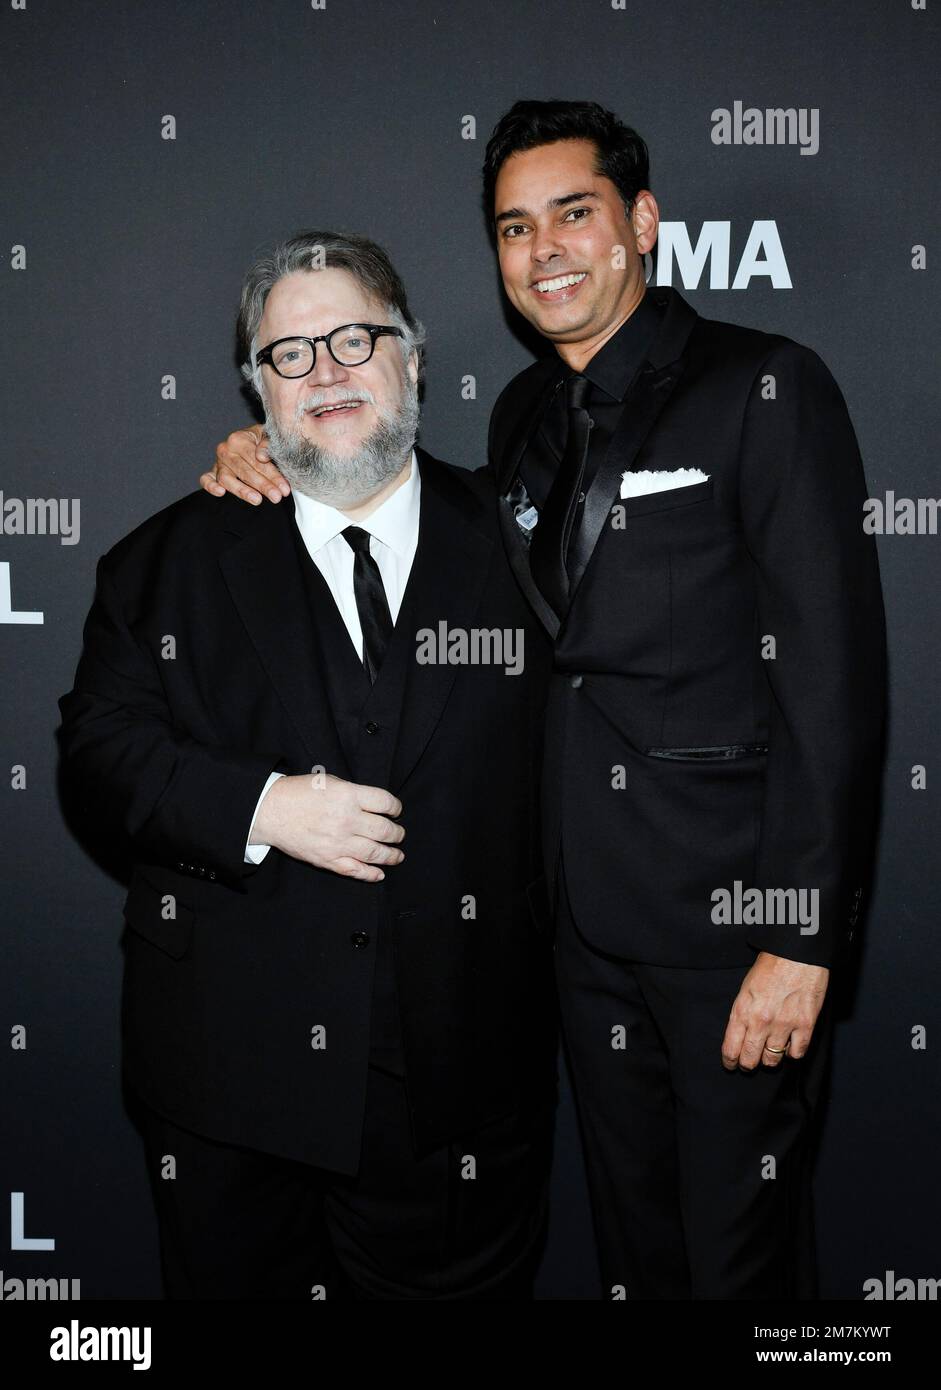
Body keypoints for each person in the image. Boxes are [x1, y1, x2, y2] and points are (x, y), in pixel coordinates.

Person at [200, 101, 887, 1300]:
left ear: (643, 224)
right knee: (639, 1248)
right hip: (573, 932)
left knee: (743, 1264)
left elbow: (833, 679)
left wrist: (801, 937)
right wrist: (269, 446)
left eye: (573, 214)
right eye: (515, 228)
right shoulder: (522, 417)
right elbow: (408, 504)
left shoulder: (764, 385)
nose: (545, 250)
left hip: (733, 928)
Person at [57, 230, 556, 1301]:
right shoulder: (162, 564)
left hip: (460, 1096)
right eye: (290, 353)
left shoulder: (527, 547)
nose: (325, 369)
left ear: (412, 358)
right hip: (227, 1094)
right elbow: (97, 760)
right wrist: (263, 806)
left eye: (353, 338)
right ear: (258, 390)